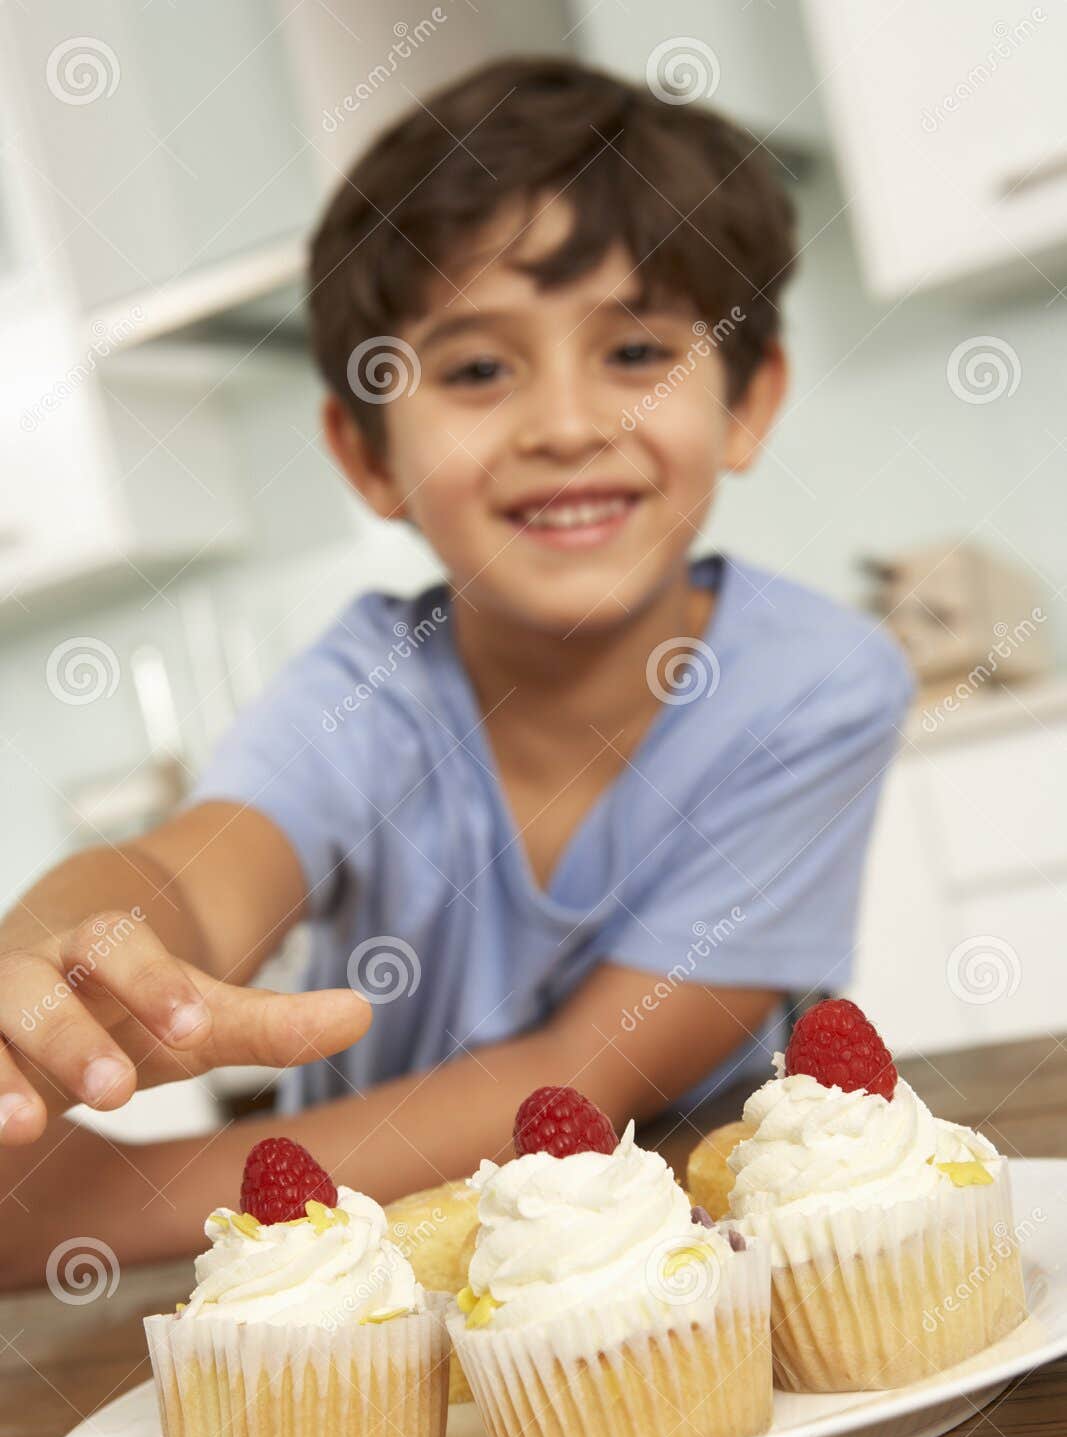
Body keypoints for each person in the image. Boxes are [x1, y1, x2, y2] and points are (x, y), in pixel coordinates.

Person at [0, 57, 912, 1283]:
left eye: (637, 351)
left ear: (747, 401)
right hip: (386, 1293)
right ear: (366, 450)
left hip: (698, 1282)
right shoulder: (375, 679)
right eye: (478, 369)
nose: (567, 424)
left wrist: (85, 1208)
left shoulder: (815, 683)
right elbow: (191, 876)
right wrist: (56, 949)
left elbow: (583, 1078)